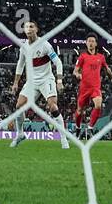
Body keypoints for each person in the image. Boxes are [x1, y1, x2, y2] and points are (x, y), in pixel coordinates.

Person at [9, 21, 70, 150]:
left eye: (31, 26)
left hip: (46, 79)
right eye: (26, 27)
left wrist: (59, 81)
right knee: (19, 106)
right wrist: (15, 83)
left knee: (53, 107)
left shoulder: (45, 45)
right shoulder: (23, 47)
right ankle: (20, 134)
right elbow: (20, 65)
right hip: (31, 81)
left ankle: (64, 139)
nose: (29, 29)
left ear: (36, 29)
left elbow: (58, 62)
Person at [73, 34, 112, 140]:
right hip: (84, 88)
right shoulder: (82, 56)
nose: (91, 43)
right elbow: (75, 70)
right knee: (79, 111)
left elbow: (107, 69)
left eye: (92, 41)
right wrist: (78, 74)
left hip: (95, 88)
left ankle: (90, 128)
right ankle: (78, 128)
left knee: (98, 105)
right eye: (89, 41)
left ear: (96, 43)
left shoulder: (101, 57)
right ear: (86, 43)